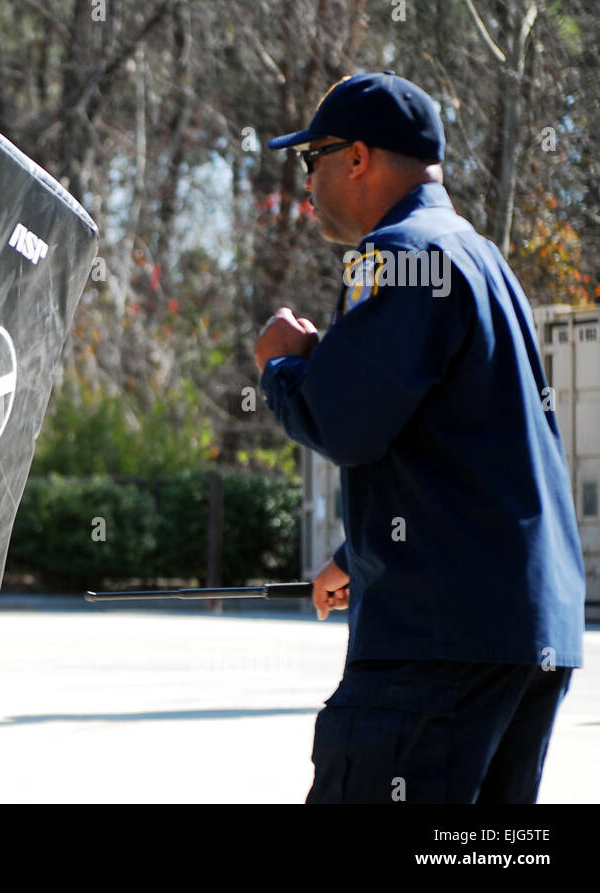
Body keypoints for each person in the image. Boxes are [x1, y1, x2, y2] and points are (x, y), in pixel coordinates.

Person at [257, 71, 585, 803]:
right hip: (526, 634)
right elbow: (473, 445)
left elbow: (340, 422)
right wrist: (358, 553)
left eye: (312, 158)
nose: (305, 181)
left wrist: (279, 363)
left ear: (358, 158)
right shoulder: (482, 260)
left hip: (438, 643)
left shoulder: (397, 255)